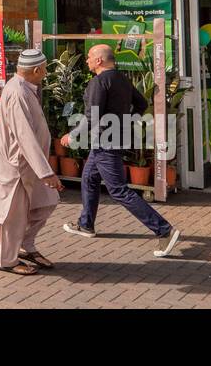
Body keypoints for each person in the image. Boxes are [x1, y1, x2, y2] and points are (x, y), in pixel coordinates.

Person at [60, 44, 182, 257]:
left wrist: (73, 135)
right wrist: (122, 120)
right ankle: (86, 224)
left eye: (89, 57)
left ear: (99, 60)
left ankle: (164, 230)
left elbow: (93, 116)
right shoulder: (122, 79)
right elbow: (142, 103)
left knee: (118, 190)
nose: (87, 60)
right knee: (89, 178)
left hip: (106, 143)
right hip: (112, 139)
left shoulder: (99, 81)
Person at [0, 49, 63, 276]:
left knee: (47, 202)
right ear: (36, 70)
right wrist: (46, 172)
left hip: (30, 165)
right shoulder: (17, 93)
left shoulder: (25, 88)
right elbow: (25, 136)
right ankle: (6, 260)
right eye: (44, 69)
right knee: (12, 215)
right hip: (17, 166)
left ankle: (25, 245)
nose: (45, 73)